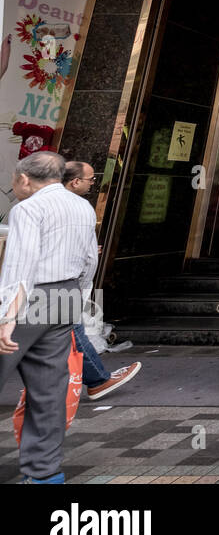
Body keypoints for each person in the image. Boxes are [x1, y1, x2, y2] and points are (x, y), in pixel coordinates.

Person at [0, 152, 99, 483]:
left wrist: (6, 317)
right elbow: (90, 259)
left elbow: (20, 266)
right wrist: (79, 298)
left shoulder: (28, 208)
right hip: (65, 296)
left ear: (24, 179)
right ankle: (44, 473)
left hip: (30, 299)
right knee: (48, 389)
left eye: (15, 181)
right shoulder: (82, 206)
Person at [60, 161, 141, 401]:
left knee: (59, 332)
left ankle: (97, 380)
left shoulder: (51, 205)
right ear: (75, 181)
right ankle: (98, 380)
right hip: (58, 282)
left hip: (62, 283)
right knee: (68, 330)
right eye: (90, 179)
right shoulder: (76, 206)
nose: (94, 183)